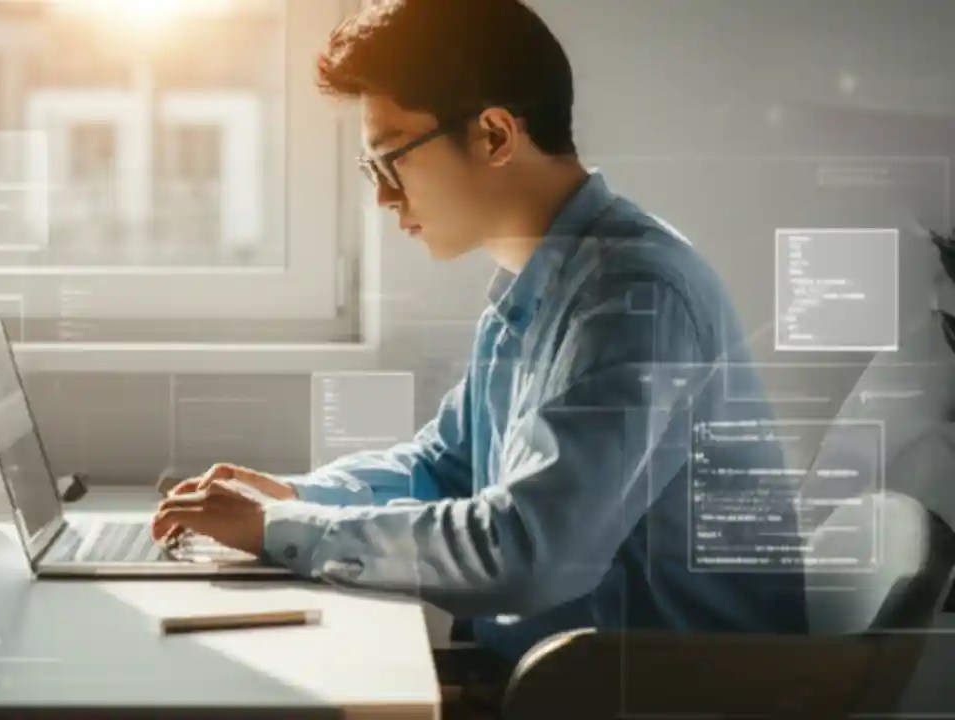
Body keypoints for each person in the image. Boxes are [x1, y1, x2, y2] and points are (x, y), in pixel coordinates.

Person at [152, 0, 807, 713]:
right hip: (560, 683)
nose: (381, 196)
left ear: (495, 134)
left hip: (647, 700)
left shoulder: (634, 297)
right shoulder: (536, 284)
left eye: (392, 159)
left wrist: (284, 531)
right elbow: (445, 466)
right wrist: (296, 499)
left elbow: (527, 551)